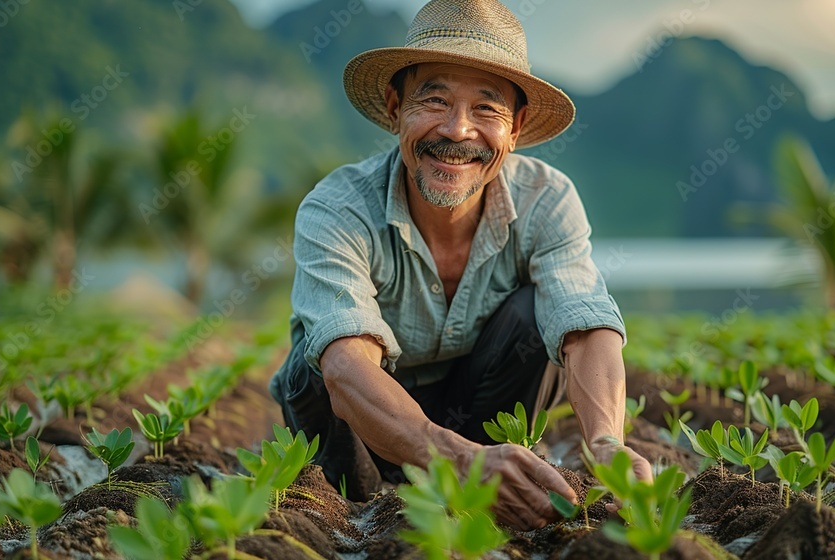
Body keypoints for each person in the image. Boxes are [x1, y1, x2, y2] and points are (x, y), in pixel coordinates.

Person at [269, 0, 652, 531]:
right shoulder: (337, 209)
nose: (457, 131)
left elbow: (585, 323)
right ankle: (370, 493)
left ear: (515, 128)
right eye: (435, 100)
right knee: (347, 492)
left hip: (475, 403)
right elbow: (346, 366)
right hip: (355, 414)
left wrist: (607, 442)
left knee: (533, 311)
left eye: (487, 110)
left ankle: (484, 485)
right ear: (393, 107)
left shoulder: (547, 199)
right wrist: (459, 458)